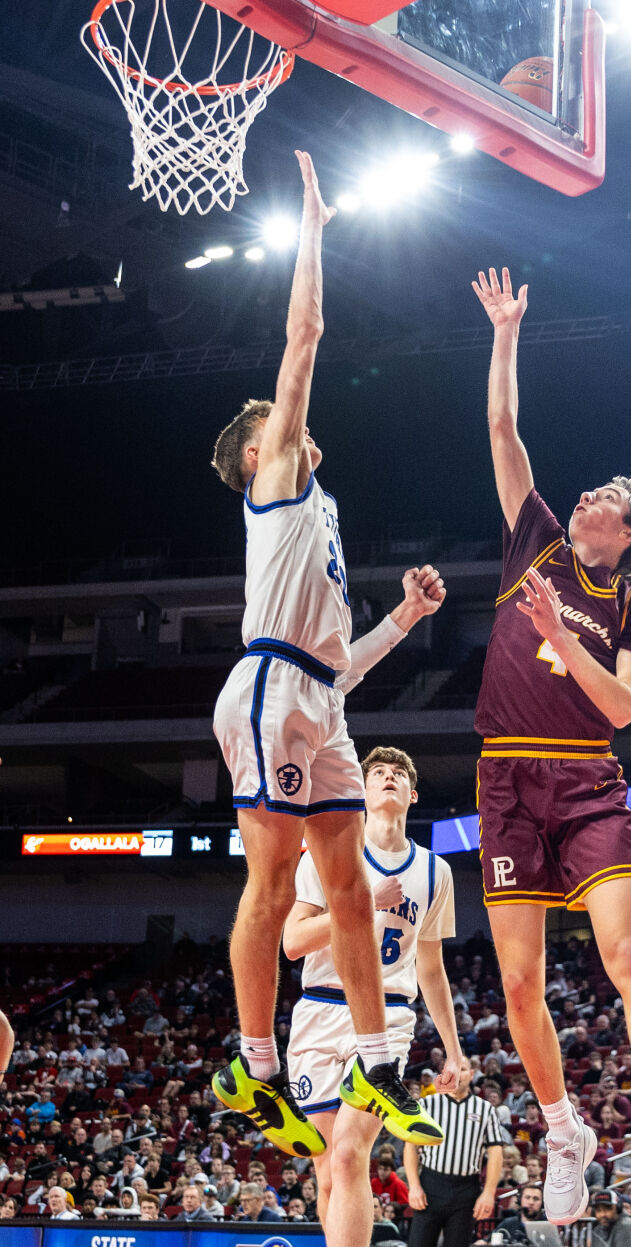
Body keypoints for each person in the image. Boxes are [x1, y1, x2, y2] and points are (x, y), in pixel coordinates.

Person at [207, 150, 443, 1158]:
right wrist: (313, 226)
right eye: (278, 425)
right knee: (270, 883)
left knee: (343, 884)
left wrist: (400, 621)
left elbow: (338, 664)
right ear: (257, 454)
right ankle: (252, 1064)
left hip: (317, 694)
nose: (295, 425)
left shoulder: (319, 510)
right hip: (265, 686)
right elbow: (303, 335)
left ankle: (380, 1057)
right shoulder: (277, 485)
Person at [469, 266, 631, 1218]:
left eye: (606, 496)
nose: (585, 498)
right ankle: (565, 1126)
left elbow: (622, 709)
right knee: (520, 981)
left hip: (588, 781)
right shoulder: (532, 539)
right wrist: (505, 333)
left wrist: (564, 640)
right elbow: (503, 432)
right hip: (502, 780)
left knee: (626, 959)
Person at [282, 746, 464, 1247]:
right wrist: (359, 903)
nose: (388, 778)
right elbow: (293, 942)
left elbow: (431, 966)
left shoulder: (435, 872)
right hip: (320, 1009)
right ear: (362, 791)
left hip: (386, 1018)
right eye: (378, 773)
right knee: (325, 1170)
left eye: (398, 774)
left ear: (412, 794)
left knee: (349, 1153)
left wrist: (453, 1047)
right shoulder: (328, 855)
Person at [405, 1076, 508, 1247]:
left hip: (466, 1189)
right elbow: (410, 1147)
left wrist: (489, 1193)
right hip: (430, 1185)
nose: (458, 1075)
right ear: (444, 1073)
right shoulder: (427, 1104)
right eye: (454, 1070)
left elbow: (496, 1153)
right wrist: (414, 1186)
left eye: (463, 1069)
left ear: (472, 1073)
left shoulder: (485, 1108)